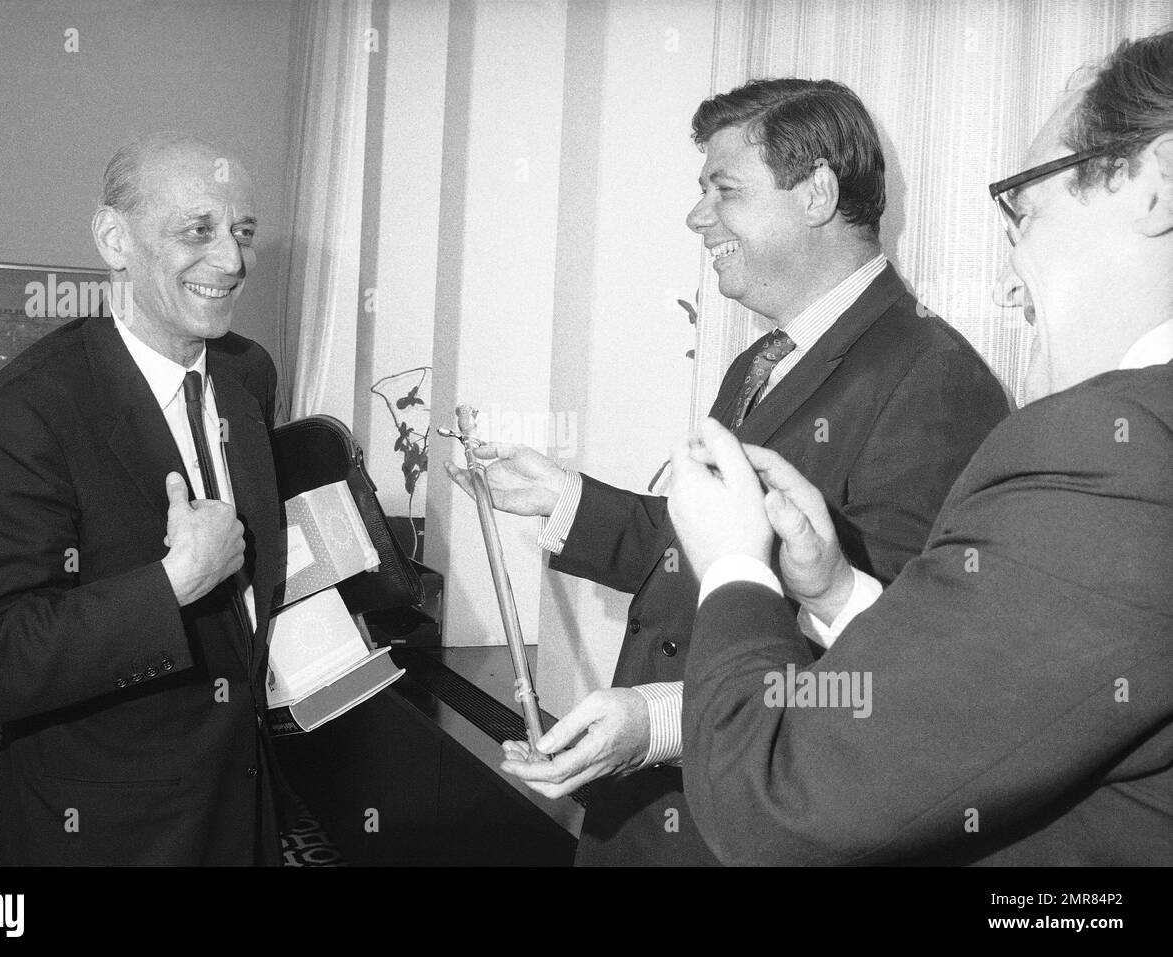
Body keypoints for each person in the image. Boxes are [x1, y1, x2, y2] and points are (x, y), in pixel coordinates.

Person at [447, 80, 1009, 865]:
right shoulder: (764, 357)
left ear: (816, 194)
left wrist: (662, 723)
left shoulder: (933, 377)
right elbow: (714, 554)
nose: (697, 216)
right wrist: (561, 496)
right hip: (651, 821)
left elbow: (882, 671)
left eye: (725, 190)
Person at [670, 29, 1173, 865]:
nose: (1009, 280)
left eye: (1025, 206)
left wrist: (737, 567)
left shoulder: (1108, 450)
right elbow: (995, 689)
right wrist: (833, 591)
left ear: (1157, 185)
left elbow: (775, 803)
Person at [0, 132, 289, 865]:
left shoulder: (250, 375)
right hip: (112, 837)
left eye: (243, 232)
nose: (233, 261)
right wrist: (172, 584)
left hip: (244, 812)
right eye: (199, 230)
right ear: (114, 237)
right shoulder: (28, 410)